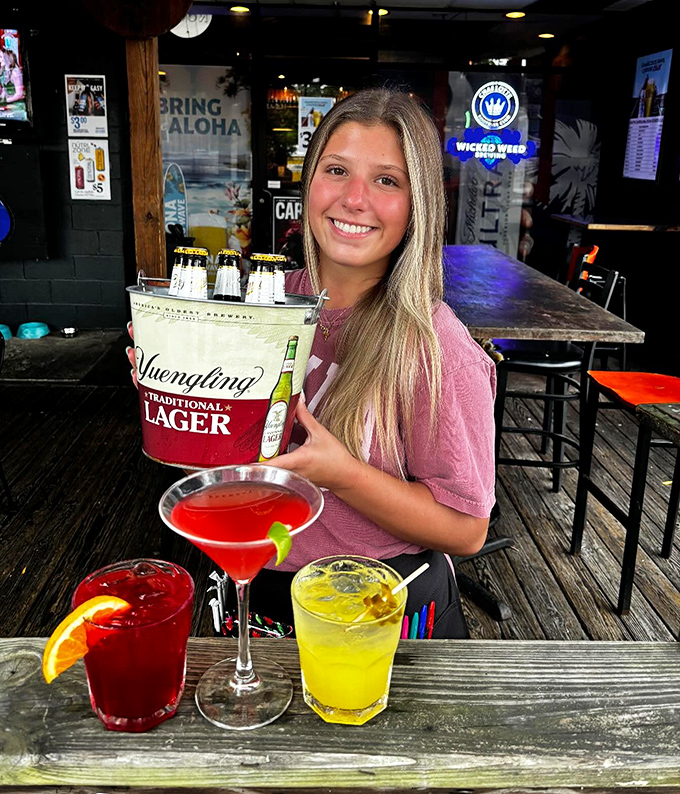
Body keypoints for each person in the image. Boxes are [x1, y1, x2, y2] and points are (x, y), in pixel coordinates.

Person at [128, 88, 496, 638]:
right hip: (251, 592)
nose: (354, 199)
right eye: (337, 170)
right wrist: (175, 400)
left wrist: (341, 473)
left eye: (387, 180)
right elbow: (218, 465)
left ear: (418, 204)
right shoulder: (257, 309)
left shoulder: (437, 347)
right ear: (309, 184)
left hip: (379, 609)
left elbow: (467, 531)